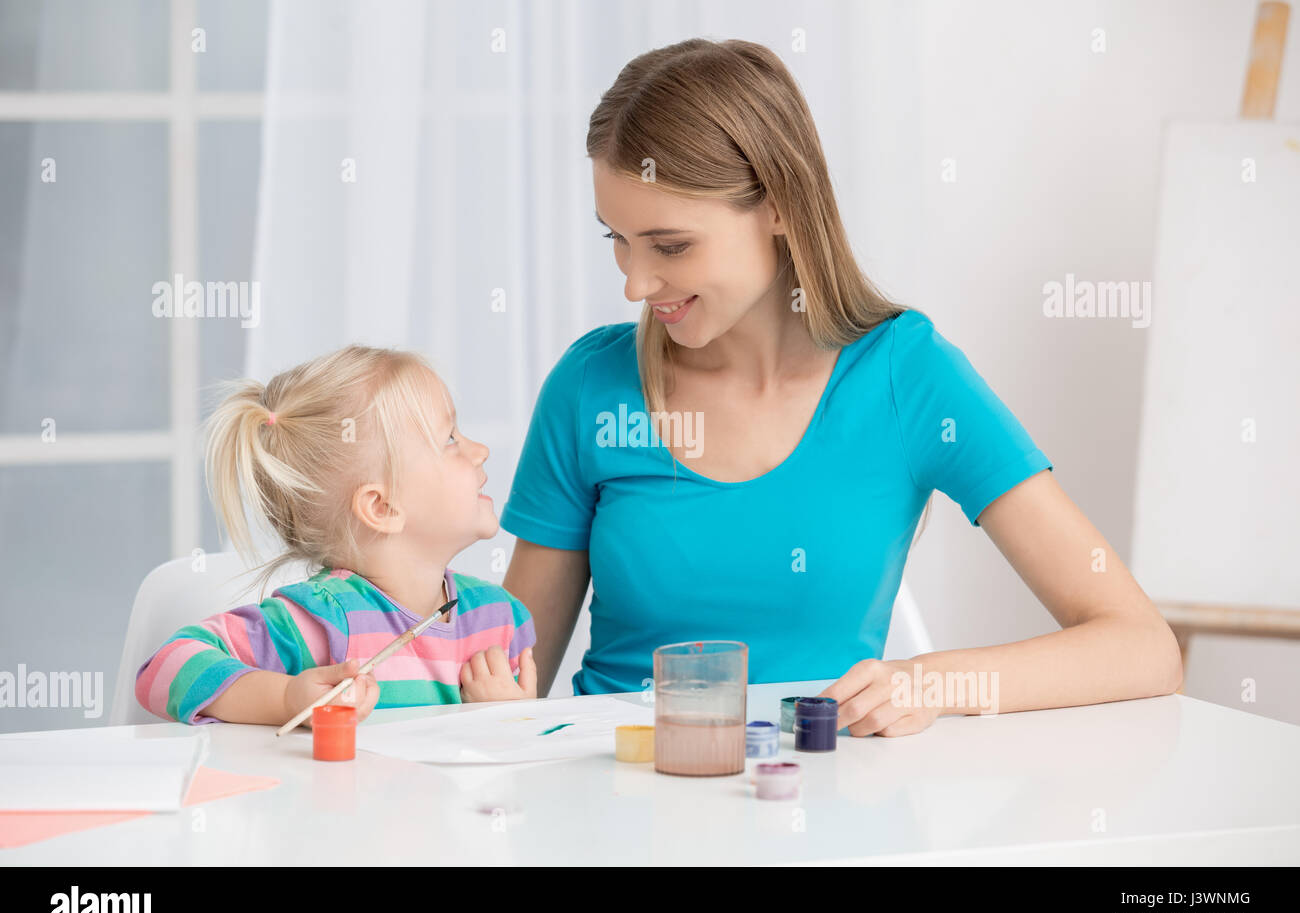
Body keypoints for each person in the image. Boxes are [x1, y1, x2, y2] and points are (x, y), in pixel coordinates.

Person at [500, 38, 1180, 737]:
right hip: (616, 819)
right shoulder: (591, 387)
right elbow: (500, 690)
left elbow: (1141, 648)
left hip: (826, 821)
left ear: (781, 207)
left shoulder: (903, 375)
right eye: (616, 237)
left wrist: (931, 682)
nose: (635, 284)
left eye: (670, 246)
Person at [137, 345, 536, 726]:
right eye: (450, 439)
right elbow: (164, 668)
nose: (480, 450)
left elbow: (529, 779)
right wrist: (285, 698)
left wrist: (511, 718)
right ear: (382, 507)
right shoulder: (322, 621)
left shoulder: (502, 621)